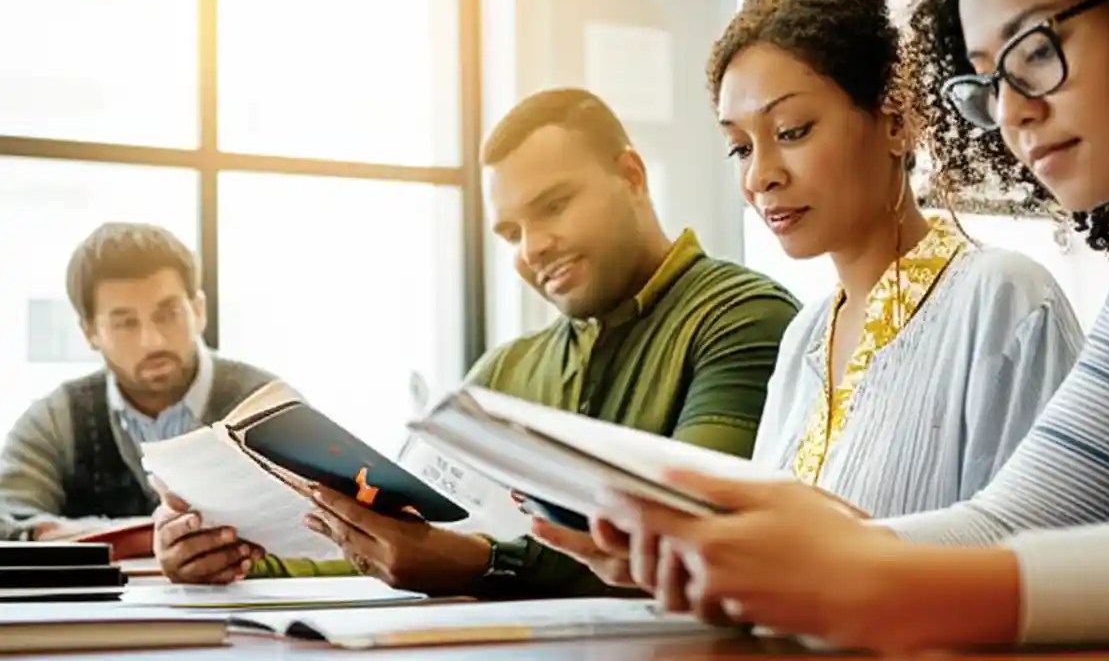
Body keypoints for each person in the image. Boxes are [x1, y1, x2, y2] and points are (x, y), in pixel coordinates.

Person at [588, 0, 1109, 652]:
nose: (1012, 110)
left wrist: (872, 583)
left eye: (1036, 49)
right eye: (988, 80)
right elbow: (1007, 521)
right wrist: (736, 553)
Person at [532, 0, 1083, 586]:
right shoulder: (803, 339)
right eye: (739, 148)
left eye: (792, 131)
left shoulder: (1003, 299)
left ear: (897, 123)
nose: (761, 177)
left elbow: (1046, 564)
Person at [154, 88, 801, 596]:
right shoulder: (503, 373)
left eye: (553, 206)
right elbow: (402, 546)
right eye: (511, 231)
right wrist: (229, 556)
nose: (532, 247)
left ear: (632, 176)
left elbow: (690, 541)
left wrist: (486, 564)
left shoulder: (742, 317)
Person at [0, 223, 276, 550]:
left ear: (198, 310)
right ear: (89, 332)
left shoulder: (265, 402)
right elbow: (9, 520)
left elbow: (322, 529)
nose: (152, 340)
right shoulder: (58, 420)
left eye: (168, 313)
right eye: (125, 323)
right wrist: (158, 537)